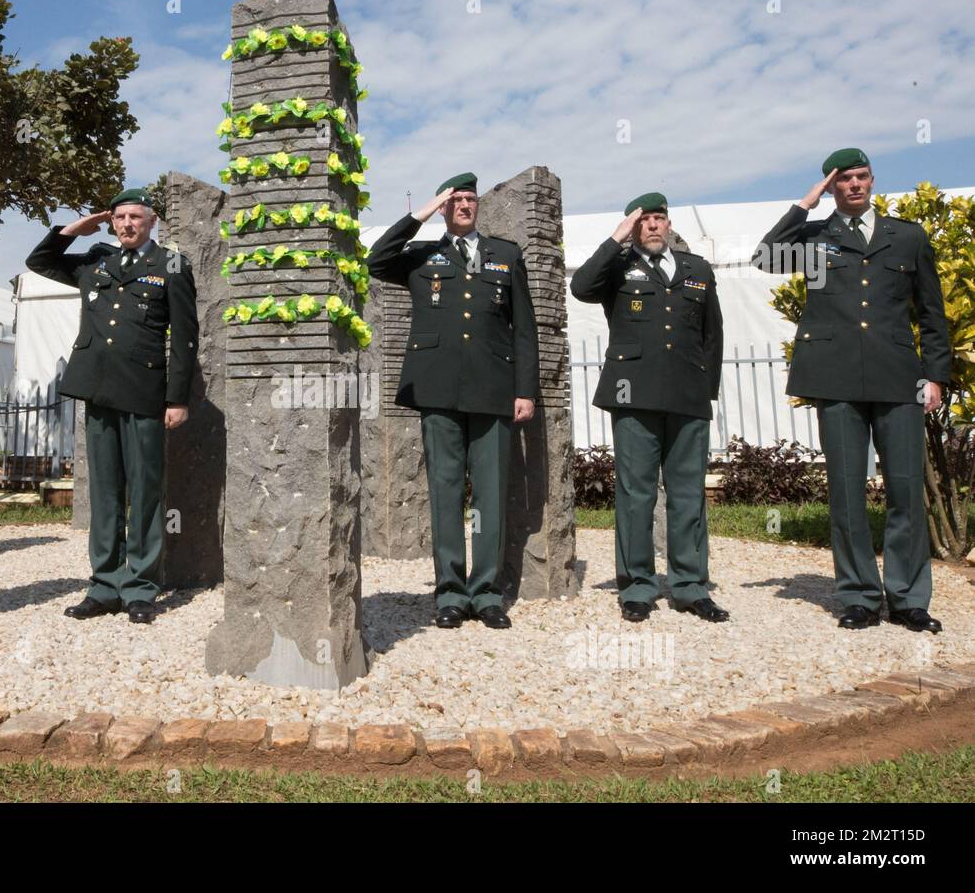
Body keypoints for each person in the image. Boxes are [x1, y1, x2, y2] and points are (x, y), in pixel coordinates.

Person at [752, 149, 950, 633]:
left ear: (872, 181)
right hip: (835, 378)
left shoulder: (907, 236)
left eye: (861, 177)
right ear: (832, 188)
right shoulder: (817, 238)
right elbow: (763, 257)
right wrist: (807, 203)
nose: (854, 185)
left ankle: (907, 598)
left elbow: (931, 312)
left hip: (897, 377)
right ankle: (859, 595)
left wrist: (937, 375)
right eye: (843, 180)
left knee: (904, 488)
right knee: (846, 491)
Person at [368, 173, 538, 629]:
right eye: (455, 199)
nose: (464, 205)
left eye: (470, 199)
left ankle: (486, 592)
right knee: (444, 492)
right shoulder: (423, 255)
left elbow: (524, 327)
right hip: (438, 389)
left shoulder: (506, 255)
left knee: (490, 494)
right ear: (444, 207)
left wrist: (524, 390)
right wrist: (420, 213)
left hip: (492, 389)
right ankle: (449, 592)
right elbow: (375, 259)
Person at [26, 188, 198, 624]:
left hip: (144, 392)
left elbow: (184, 337)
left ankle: (139, 588)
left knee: (143, 493)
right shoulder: (94, 260)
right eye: (119, 217)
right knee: (104, 494)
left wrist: (178, 398)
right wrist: (72, 231)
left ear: (151, 221)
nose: (126, 224)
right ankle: (103, 586)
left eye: (135, 217)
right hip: (98, 389)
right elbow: (40, 262)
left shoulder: (171, 265)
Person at [571, 193, 727, 622]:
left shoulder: (697, 269)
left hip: (687, 396)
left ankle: (690, 586)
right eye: (645, 221)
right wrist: (614, 239)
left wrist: (706, 389)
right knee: (636, 493)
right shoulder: (617, 267)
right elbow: (580, 287)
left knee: (687, 495)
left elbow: (712, 334)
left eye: (659, 219)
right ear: (633, 227)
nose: (654, 226)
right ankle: (637, 586)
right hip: (632, 394)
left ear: (669, 223)